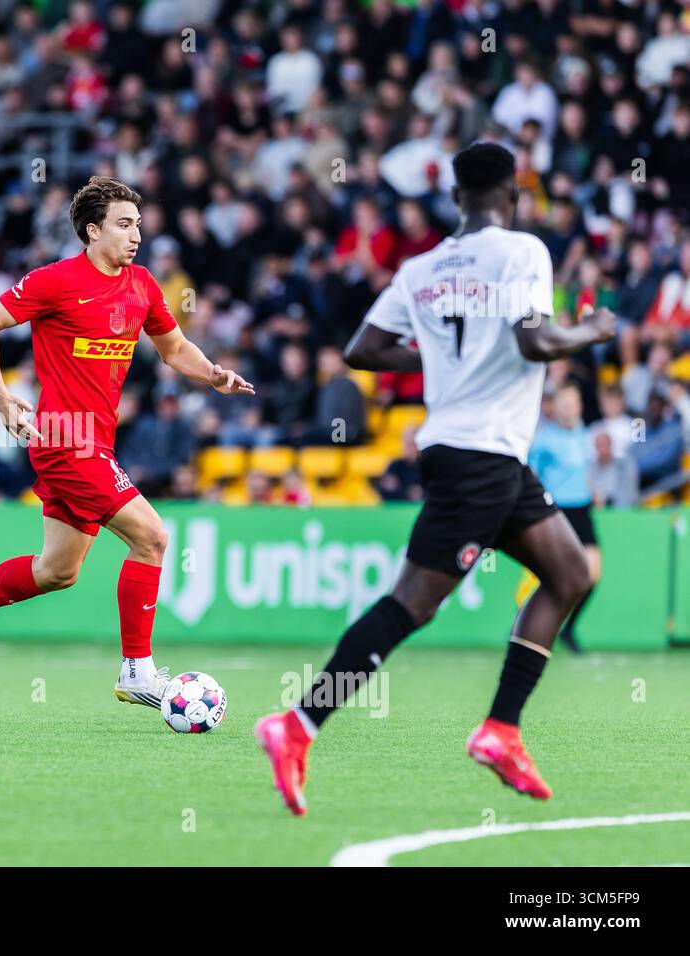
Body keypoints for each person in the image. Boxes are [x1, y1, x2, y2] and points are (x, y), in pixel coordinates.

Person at [255, 142, 614, 816]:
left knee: (569, 572)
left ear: (455, 196)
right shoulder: (522, 252)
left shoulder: (421, 268)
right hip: (479, 459)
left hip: (486, 456)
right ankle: (297, 724)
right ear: (512, 193)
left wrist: (436, 354)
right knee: (409, 606)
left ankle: (501, 730)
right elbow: (537, 341)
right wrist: (591, 329)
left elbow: (362, 349)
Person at [0, 176, 252, 712]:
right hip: (65, 439)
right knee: (153, 537)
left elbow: (173, 346)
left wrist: (211, 374)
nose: (135, 234)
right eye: (123, 224)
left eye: (138, 224)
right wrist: (1, 398)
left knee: (57, 571)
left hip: (99, 442)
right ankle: (137, 670)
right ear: (92, 231)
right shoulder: (56, 281)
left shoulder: (142, 285)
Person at [527, 383, 600, 653]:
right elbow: (531, 476)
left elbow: (585, 469)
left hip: (582, 509)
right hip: (557, 510)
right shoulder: (544, 440)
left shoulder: (584, 433)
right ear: (555, 408)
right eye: (565, 404)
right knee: (556, 575)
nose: (570, 409)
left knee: (592, 574)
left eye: (574, 403)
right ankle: (534, 628)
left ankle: (568, 628)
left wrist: (594, 490)